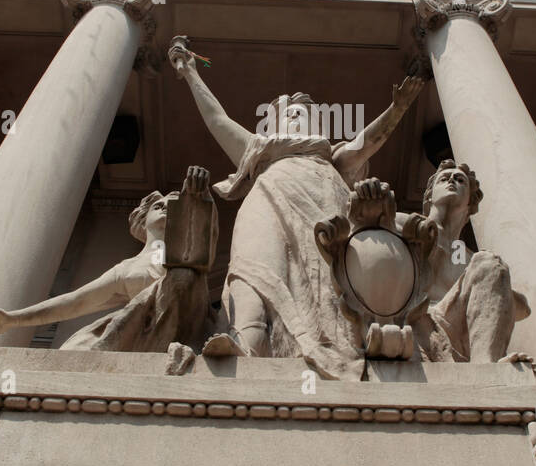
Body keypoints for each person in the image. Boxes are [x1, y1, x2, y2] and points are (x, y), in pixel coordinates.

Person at [168, 37, 423, 378]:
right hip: (267, 199)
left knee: (325, 288)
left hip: (322, 211)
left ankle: (340, 344)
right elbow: (217, 119)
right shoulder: (258, 151)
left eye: (304, 114)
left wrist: (398, 108)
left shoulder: (331, 157)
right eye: (289, 114)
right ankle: (244, 343)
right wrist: (190, 73)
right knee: (253, 271)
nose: (296, 118)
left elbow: (370, 141)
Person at [0, 166, 217, 353]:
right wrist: (12, 319)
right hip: (146, 335)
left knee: (183, 274)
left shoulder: (190, 251)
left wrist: (200, 196)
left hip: (190, 329)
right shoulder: (127, 269)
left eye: (172, 205)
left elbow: (207, 237)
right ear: (142, 221)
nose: (164, 207)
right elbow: (76, 302)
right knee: (79, 349)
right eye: (158, 206)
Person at [395, 160, 530, 362]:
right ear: (429, 195)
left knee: (489, 262)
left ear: (470, 204)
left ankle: (486, 367)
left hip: (455, 328)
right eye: (444, 179)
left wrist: (495, 284)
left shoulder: (469, 257)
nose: (452, 180)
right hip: (413, 321)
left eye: (460, 180)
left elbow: (524, 309)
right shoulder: (404, 224)